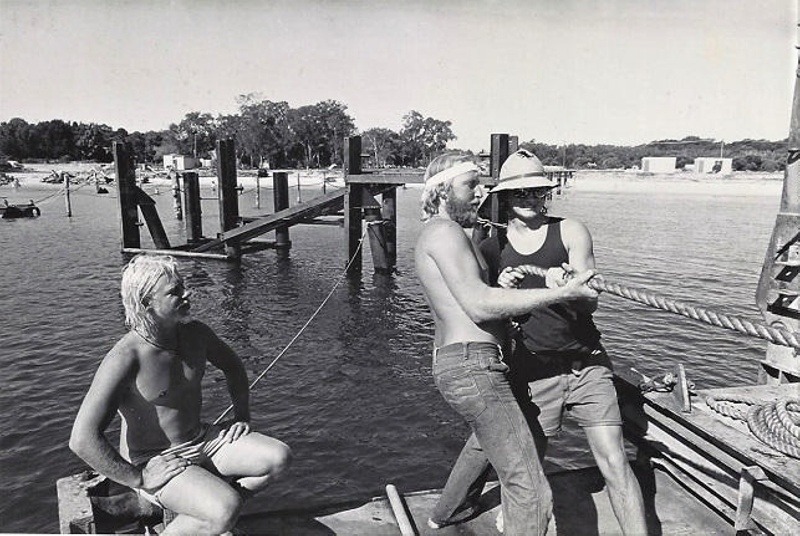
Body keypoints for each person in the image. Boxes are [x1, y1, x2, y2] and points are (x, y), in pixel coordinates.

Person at [437, 149, 648, 534]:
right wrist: (500, 287)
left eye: (537, 193)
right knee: (528, 468)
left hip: (588, 365)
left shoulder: (570, 230)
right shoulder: (490, 249)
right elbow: (486, 313)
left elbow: (592, 302)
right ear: (505, 198)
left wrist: (569, 285)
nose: (530, 201)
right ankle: (506, 512)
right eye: (520, 194)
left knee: (615, 462)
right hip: (533, 372)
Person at [415, 153, 601, 535]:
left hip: (470, 363)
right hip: (472, 367)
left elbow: (473, 301)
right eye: (471, 185)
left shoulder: (450, 234)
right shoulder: (444, 232)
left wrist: (503, 289)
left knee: (489, 441)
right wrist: (559, 293)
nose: (482, 192)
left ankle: (447, 512)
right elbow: (479, 306)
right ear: (442, 190)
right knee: (530, 488)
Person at [70, 254, 292, 535]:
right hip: (156, 459)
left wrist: (242, 415)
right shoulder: (125, 357)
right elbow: (82, 439)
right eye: (175, 291)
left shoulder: (196, 334)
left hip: (203, 440)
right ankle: (211, 514)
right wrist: (139, 478)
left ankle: (208, 513)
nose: (187, 293)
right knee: (224, 509)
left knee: (278, 458)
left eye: (183, 285)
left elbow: (233, 366)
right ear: (146, 302)